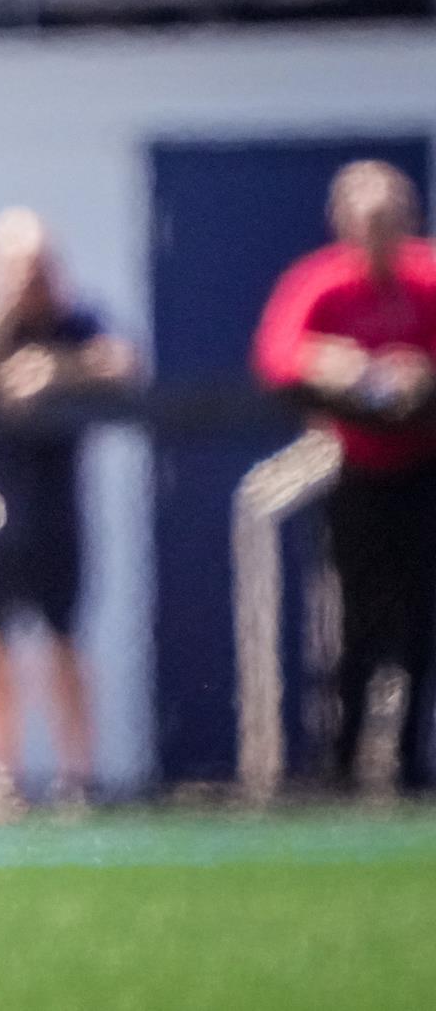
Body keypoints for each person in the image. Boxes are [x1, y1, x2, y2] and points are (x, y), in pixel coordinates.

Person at [0, 208, 138, 824]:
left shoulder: (77, 324)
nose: (34, 280)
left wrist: (59, 369)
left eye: (42, 267)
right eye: (21, 268)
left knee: (63, 634)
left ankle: (77, 778)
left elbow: (123, 363)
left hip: (54, 501)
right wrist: (4, 318)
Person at [253, 160, 436, 796]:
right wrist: (335, 367)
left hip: (424, 470)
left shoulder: (429, 277)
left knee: (420, 624)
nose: (378, 232)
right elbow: (278, 359)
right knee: (355, 623)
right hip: (355, 472)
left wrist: (419, 374)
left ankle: (412, 767)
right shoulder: (319, 282)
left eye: (390, 218)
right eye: (366, 219)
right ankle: (343, 766)